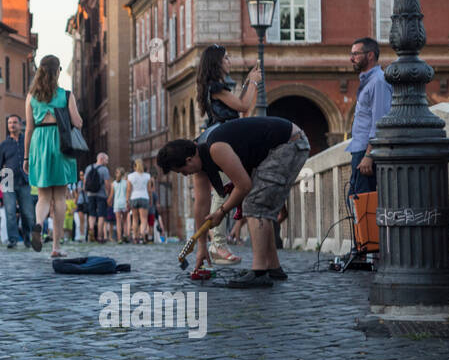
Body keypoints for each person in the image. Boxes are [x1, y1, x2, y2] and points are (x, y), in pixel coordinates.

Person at [157, 116, 311, 287]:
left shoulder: (215, 148)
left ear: (188, 160)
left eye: (182, 171)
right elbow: (201, 205)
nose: (185, 175)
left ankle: (259, 272)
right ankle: (273, 268)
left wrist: (221, 212)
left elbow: (244, 185)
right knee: (260, 206)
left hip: (290, 144)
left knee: (254, 205)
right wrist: (201, 245)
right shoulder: (199, 157)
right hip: (280, 147)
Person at [195, 44, 261, 264]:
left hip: (219, 140)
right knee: (221, 192)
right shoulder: (215, 87)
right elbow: (242, 106)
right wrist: (252, 82)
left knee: (221, 191)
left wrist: (249, 83)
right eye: (226, 58)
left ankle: (217, 244)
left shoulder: (215, 87)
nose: (229, 61)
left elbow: (242, 106)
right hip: (220, 142)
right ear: (216, 63)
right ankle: (218, 245)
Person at [24, 54, 83, 256]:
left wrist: (26, 157)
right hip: (60, 142)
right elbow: (78, 123)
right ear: (58, 72)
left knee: (42, 196)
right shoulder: (65, 95)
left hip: (39, 142)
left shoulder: (32, 96)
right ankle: (56, 247)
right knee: (59, 197)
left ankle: (39, 224)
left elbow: (28, 129)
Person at [348, 36, 392, 198]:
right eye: (351, 54)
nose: (351, 58)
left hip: (366, 154)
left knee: (364, 205)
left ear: (370, 55)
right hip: (359, 151)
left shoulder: (378, 82)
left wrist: (368, 155)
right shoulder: (369, 81)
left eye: (356, 54)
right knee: (356, 203)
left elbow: (380, 121)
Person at [0, 113, 36, 250]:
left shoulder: (28, 141)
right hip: (7, 181)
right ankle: (12, 239)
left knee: (28, 213)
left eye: (14, 122)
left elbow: (35, 160)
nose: (12, 125)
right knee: (10, 212)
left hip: (25, 180)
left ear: (20, 125)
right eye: (10, 123)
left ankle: (28, 238)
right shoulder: (4, 145)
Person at [82, 152, 112, 244]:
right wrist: (108, 194)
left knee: (92, 214)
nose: (107, 162)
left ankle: (91, 233)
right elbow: (107, 184)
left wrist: (86, 191)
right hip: (101, 195)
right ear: (102, 159)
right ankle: (99, 236)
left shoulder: (88, 168)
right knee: (101, 215)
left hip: (90, 195)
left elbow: (85, 182)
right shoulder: (104, 169)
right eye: (106, 160)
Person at [126, 158, 153, 244]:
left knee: (135, 219)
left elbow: (129, 190)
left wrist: (127, 200)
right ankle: (142, 236)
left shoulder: (130, 176)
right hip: (144, 197)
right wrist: (151, 199)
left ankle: (135, 237)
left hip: (134, 197)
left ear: (134, 166)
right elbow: (149, 190)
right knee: (144, 219)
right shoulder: (147, 176)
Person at [111, 167, 129, 243]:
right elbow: (128, 193)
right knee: (125, 221)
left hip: (117, 204)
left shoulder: (113, 183)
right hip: (124, 203)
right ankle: (125, 235)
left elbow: (111, 195)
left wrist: (108, 201)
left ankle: (119, 238)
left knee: (118, 221)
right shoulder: (126, 183)